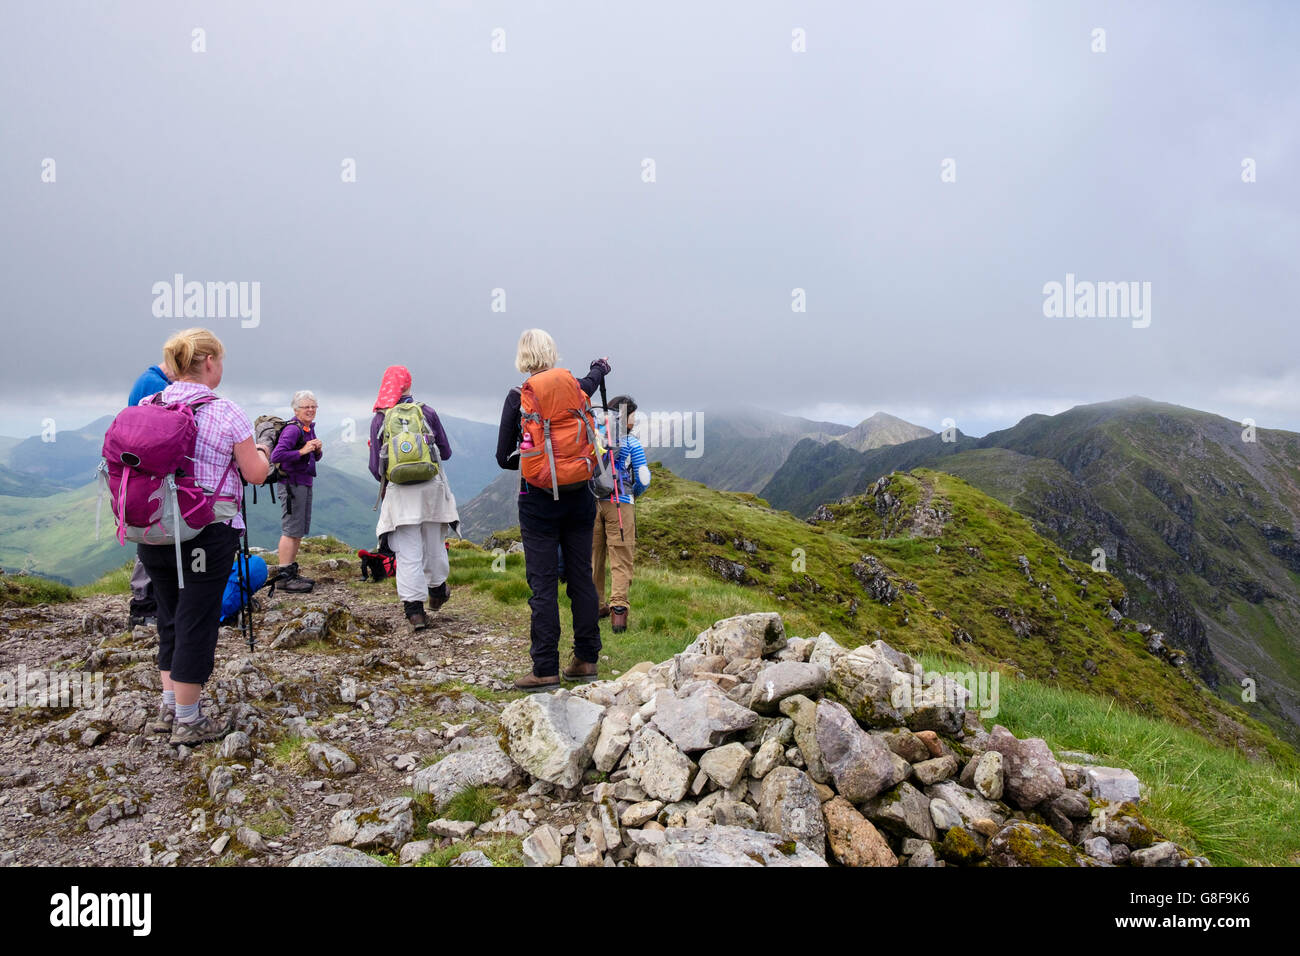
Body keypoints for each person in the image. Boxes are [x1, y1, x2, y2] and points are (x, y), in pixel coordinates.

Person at [135, 328, 270, 746]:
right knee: (198, 617)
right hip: (206, 533)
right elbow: (255, 474)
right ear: (208, 361)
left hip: (154, 531)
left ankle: (170, 706)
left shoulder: (147, 403)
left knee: (170, 614)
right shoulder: (226, 411)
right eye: (220, 360)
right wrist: (264, 449)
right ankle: (190, 721)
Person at [495, 328, 610, 691]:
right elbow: (593, 378)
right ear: (552, 353)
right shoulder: (575, 388)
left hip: (538, 501)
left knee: (542, 584)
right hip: (580, 495)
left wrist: (537, 463)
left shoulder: (518, 397)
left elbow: (502, 458)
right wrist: (600, 367)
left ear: (523, 357)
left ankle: (545, 668)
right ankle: (586, 659)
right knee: (581, 577)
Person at [368, 366, 457, 632]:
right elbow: (446, 452)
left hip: (400, 498)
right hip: (431, 493)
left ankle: (414, 612)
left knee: (407, 553)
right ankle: (438, 589)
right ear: (409, 384)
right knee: (434, 544)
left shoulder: (380, 418)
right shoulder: (426, 412)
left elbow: (376, 469)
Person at [592, 394, 650, 633]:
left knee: (593, 557)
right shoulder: (631, 443)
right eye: (633, 415)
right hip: (620, 502)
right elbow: (644, 477)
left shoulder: (594, 439)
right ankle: (618, 613)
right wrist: (633, 493)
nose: (635, 420)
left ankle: (594, 607)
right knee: (621, 557)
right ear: (625, 417)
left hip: (592, 502)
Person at [125, 362, 173, 628]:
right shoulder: (157, 386)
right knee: (153, 535)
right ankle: (144, 605)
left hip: (143, 473)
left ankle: (147, 603)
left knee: (152, 534)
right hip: (153, 474)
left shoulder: (149, 380)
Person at [270, 390, 323, 592]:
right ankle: (284, 577)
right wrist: (303, 450)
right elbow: (277, 455)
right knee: (291, 529)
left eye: (313, 406)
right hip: (291, 484)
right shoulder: (293, 430)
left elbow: (312, 458)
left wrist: (316, 450)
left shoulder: (308, 428)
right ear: (296, 409)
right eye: (306, 407)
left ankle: (291, 572)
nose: (310, 410)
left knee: (298, 529)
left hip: (304, 482)